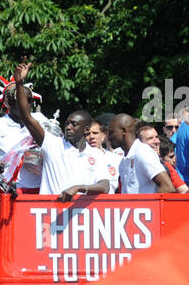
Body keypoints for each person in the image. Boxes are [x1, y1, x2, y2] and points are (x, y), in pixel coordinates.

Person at [10, 60, 110, 200]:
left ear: (86, 129)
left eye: (74, 124)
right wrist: (19, 83)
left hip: (80, 218)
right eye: (67, 123)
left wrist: (79, 188)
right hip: (49, 217)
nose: (68, 127)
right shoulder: (52, 144)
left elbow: (105, 186)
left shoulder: (96, 154)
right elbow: (26, 116)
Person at [109, 114, 176, 194]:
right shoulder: (123, 162)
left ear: (123, 131)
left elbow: (168, 187)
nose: (108, 137)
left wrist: (147, 205)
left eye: (111, 132)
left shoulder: (142, 152)